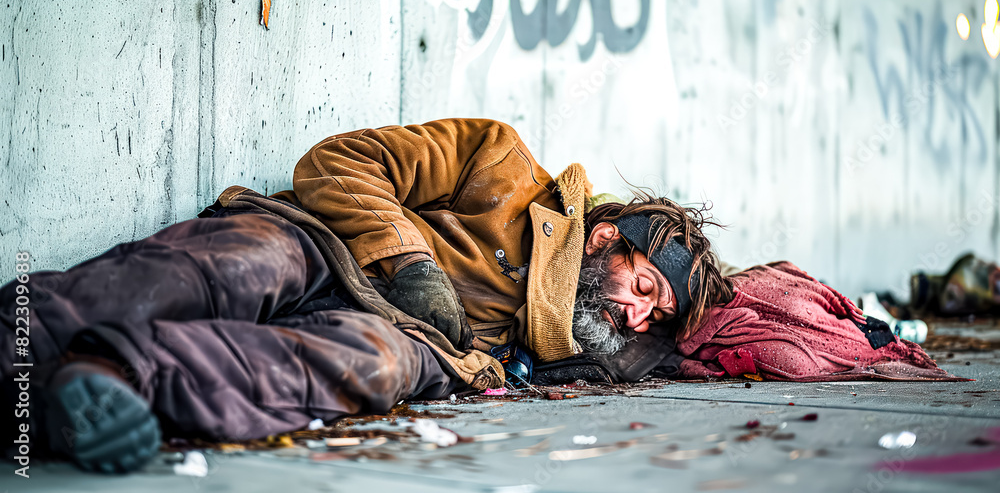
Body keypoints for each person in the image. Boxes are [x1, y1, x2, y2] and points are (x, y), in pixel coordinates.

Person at [0, 118, 956, 474]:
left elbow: (750, 326)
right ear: (608, 238)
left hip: (415, 343)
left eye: (653, 317)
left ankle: (107, 384)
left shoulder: (590, 351)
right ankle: (21, 338)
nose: (637, 316)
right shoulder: (502, 163)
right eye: (643, 287)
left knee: (361, 366)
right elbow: (340, 163)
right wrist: (409, 261)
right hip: (322, 243)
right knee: (234, 266)